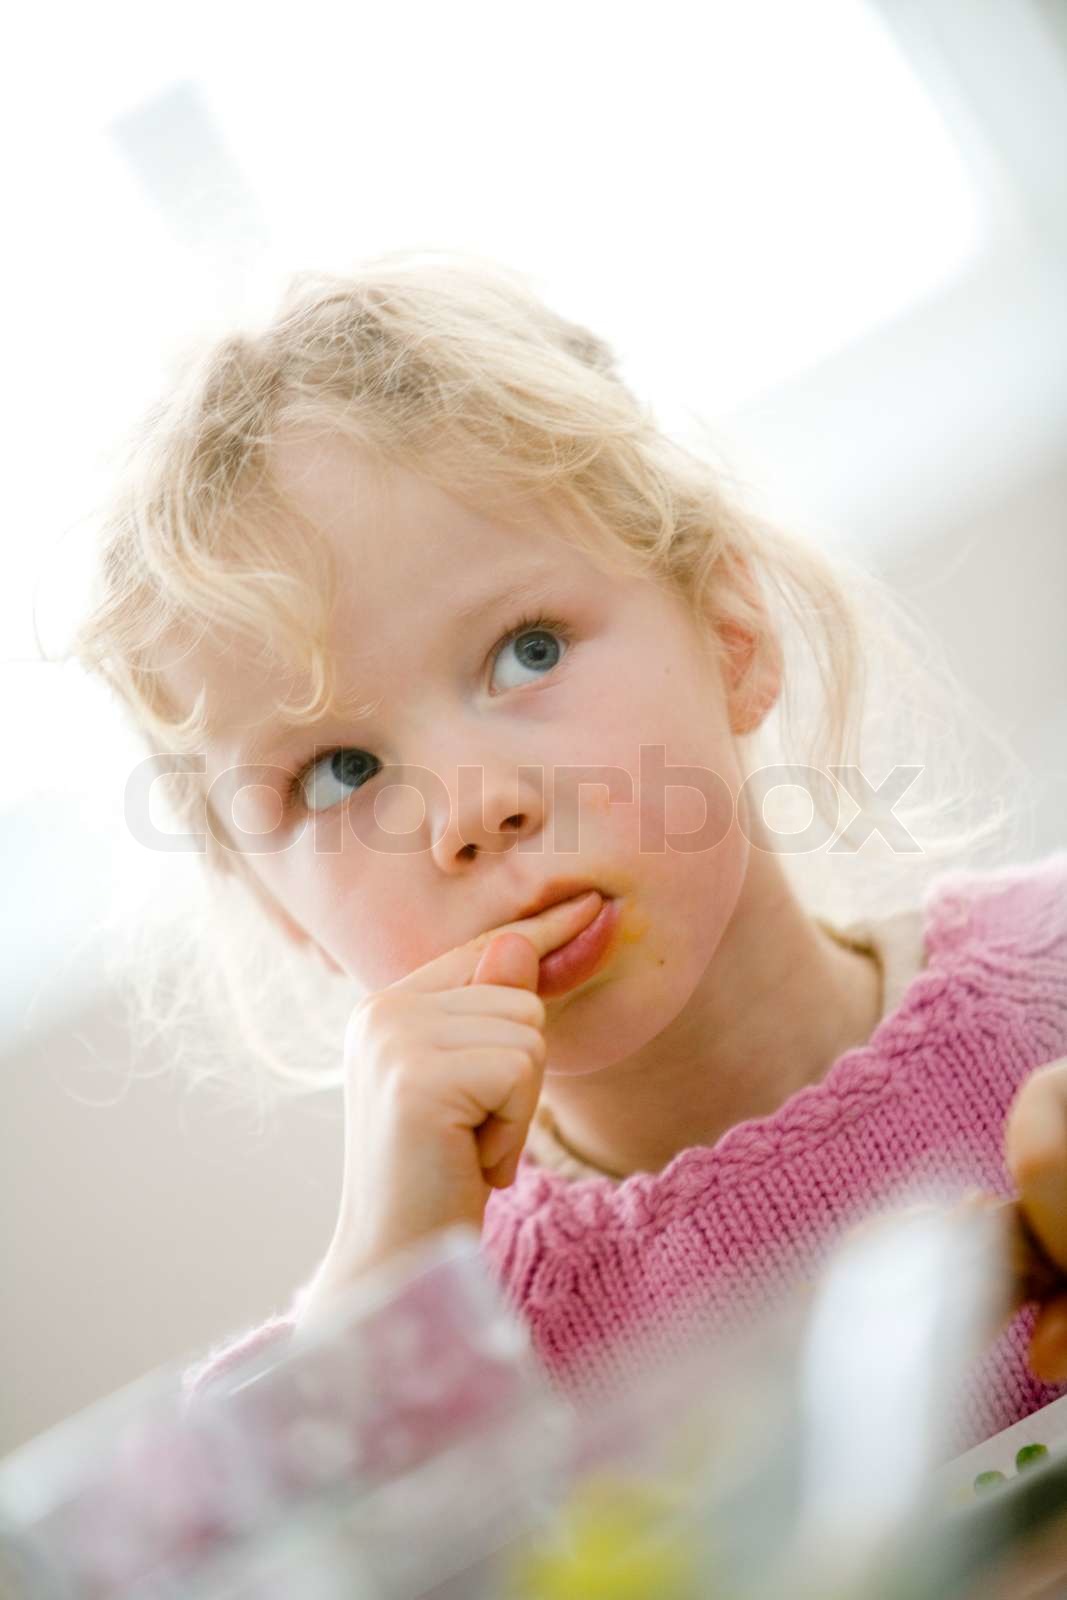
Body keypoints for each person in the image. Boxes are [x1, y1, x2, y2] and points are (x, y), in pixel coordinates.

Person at [63, 249, 1067, 1465]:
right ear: (281, 909)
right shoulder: (412, 1344)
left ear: (730, 633)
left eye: (526, 651)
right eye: (339, 772)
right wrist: (382, 1302)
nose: (472, 812)